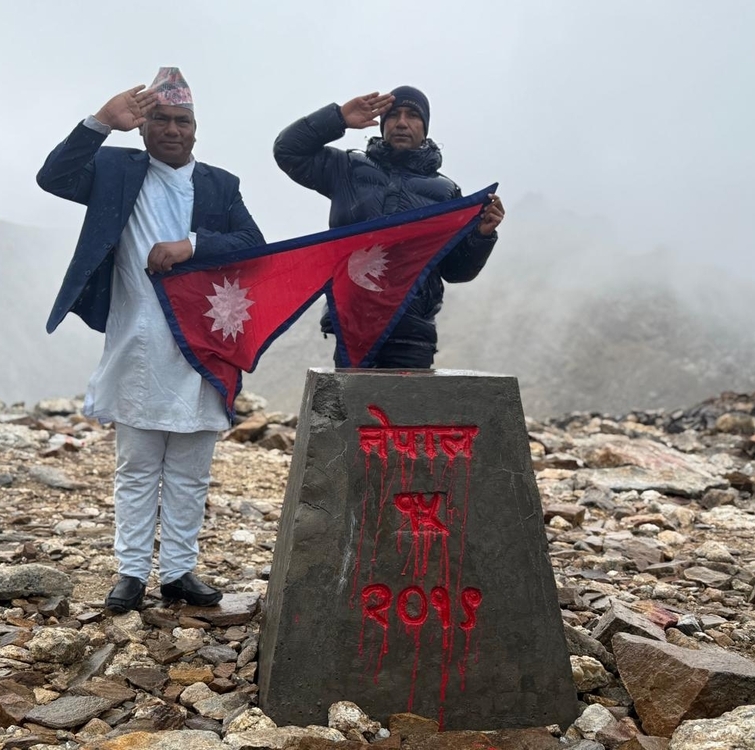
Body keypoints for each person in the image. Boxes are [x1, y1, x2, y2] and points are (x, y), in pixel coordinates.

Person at [37, 68, 264, 613]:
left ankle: (181, 572)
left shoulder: (219, 185)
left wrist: (192, 244)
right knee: (137, 466)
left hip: (202, 347)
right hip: (135, 342)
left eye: (181, 120)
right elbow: (54, 178)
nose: (170, 129)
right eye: (158, 119)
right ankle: (132, 572)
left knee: (190, 470)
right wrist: (99, 123)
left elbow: (253, 247)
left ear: (195, 128)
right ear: (142, 129)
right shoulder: (115, 169)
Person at [273, 86, 505, 368]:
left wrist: (482, 236)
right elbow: (288, 150)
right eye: (393, 115)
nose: (402, 123)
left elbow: (456, 271)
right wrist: (338, 118)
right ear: (383, 124)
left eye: (413, 115)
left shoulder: (446, 194)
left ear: (425, 126)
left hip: (412, 333)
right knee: (352, 411)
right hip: (352, 324)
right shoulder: (347, 168)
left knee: (407, 413)